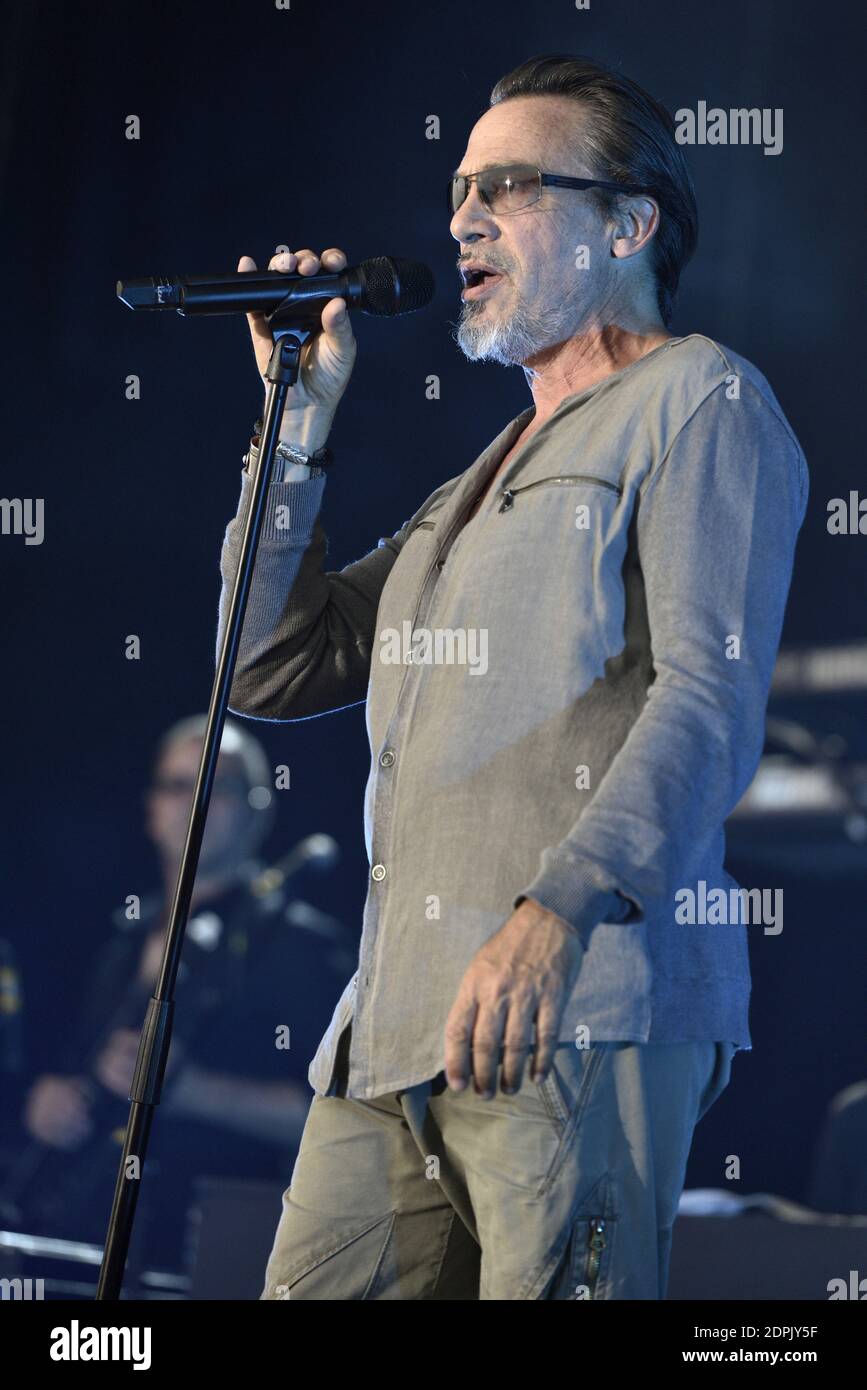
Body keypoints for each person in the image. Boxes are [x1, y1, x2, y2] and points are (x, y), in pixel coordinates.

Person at [218, 54, 808, 1299]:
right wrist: (295, 427)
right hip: (387, 1034)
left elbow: (710, 697)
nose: (461, 220)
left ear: (629, 221)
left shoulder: (699, 403)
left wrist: (558, 914)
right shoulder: (467, 490)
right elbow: (268, 665)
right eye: (458, 188)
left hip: (575, 1009)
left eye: (512, 185)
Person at [9, 715, 352, 1273]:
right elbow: (73, 1060)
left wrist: (189, 1089)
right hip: (81, 1240)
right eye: (178, 785)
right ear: (151, 808)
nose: (195, 803)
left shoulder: (302, 947)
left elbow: (337, 1112)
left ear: (259, 809)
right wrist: (48, 1101)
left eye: (218, 787)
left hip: (213, 1251)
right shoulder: (124, 935)